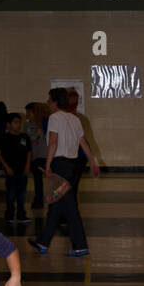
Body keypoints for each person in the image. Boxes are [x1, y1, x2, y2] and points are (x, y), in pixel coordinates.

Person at [28, 88, 99, 257]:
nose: (47, 103)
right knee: (56, 204)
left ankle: (80, 245)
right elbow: (83, 142)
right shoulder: (75, 119)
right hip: (73, 166)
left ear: (55, 102)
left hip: (60, 164)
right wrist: (92, 161)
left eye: (49, 100)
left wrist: (48, 164)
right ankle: (43, 242)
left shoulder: (54, 118)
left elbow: (53, 142)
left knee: (69, 207)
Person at [0, 112, 31, 226]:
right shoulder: (4, 138)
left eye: (19, 122)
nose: (18, 125)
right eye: (15, 122)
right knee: (11, 194)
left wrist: (27, 166)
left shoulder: (24, 137)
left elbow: (28, 152)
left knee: (22, 194)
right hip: (11, 170)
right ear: (9, 124)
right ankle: (10, 214)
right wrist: (6, 167)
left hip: (22, 170)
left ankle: (21, 214)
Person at [24, 102, 48, 209]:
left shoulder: (32, 125)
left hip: (38, 156)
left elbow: (30, 140)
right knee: (38, 180)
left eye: (28, 112)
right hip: (41, 155)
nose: (27, 115)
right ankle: (39, 199)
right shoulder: (44, 124)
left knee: (38, 180)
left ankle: (39, 200)